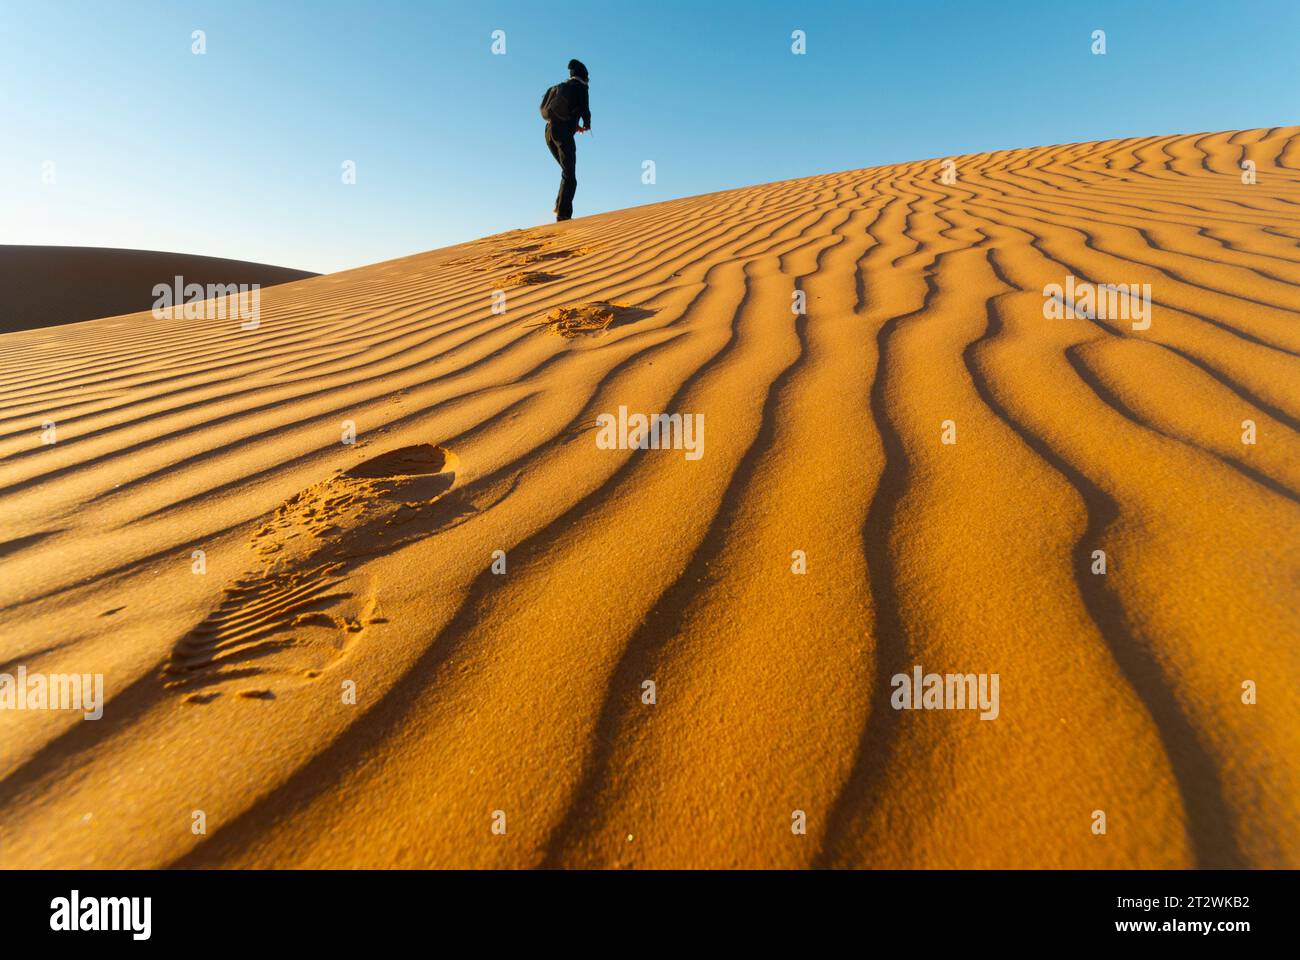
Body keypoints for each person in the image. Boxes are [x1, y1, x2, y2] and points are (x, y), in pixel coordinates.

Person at [543, 59, 591, 222]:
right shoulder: (581, 88)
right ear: (583, 75)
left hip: (549, 132)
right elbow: (585, 109)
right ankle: (563, 215)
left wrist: (573, 124)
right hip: (562, 134)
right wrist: (587, 124)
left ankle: (559, 206)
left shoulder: (562, 87)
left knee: (567, 172)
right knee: (570, 175)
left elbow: (563, 111)